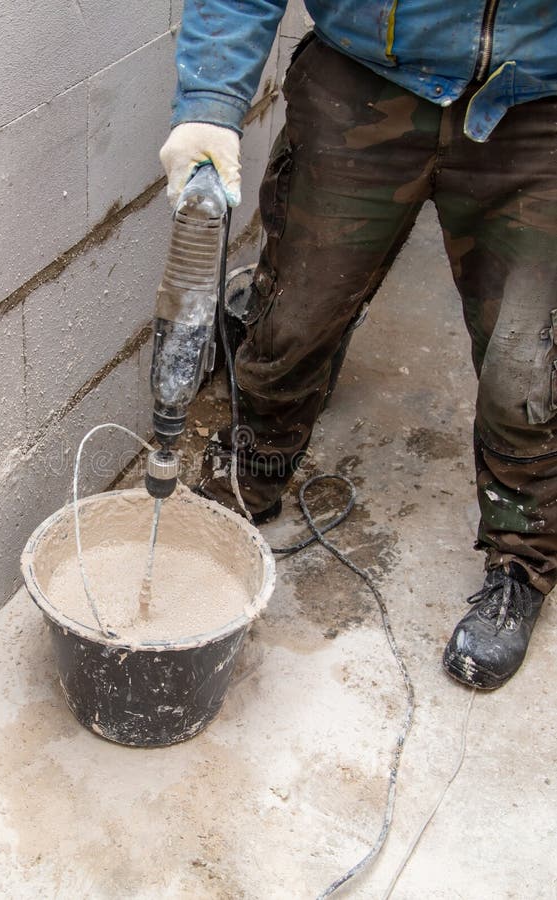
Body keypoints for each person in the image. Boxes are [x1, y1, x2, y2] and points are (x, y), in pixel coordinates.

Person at [159, 1, 557, 690]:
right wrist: (210, 97)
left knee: (523, 369)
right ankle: (246, 480)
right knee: (292, 323)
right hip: (362, 82)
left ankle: (519, 559)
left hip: (537, 109)